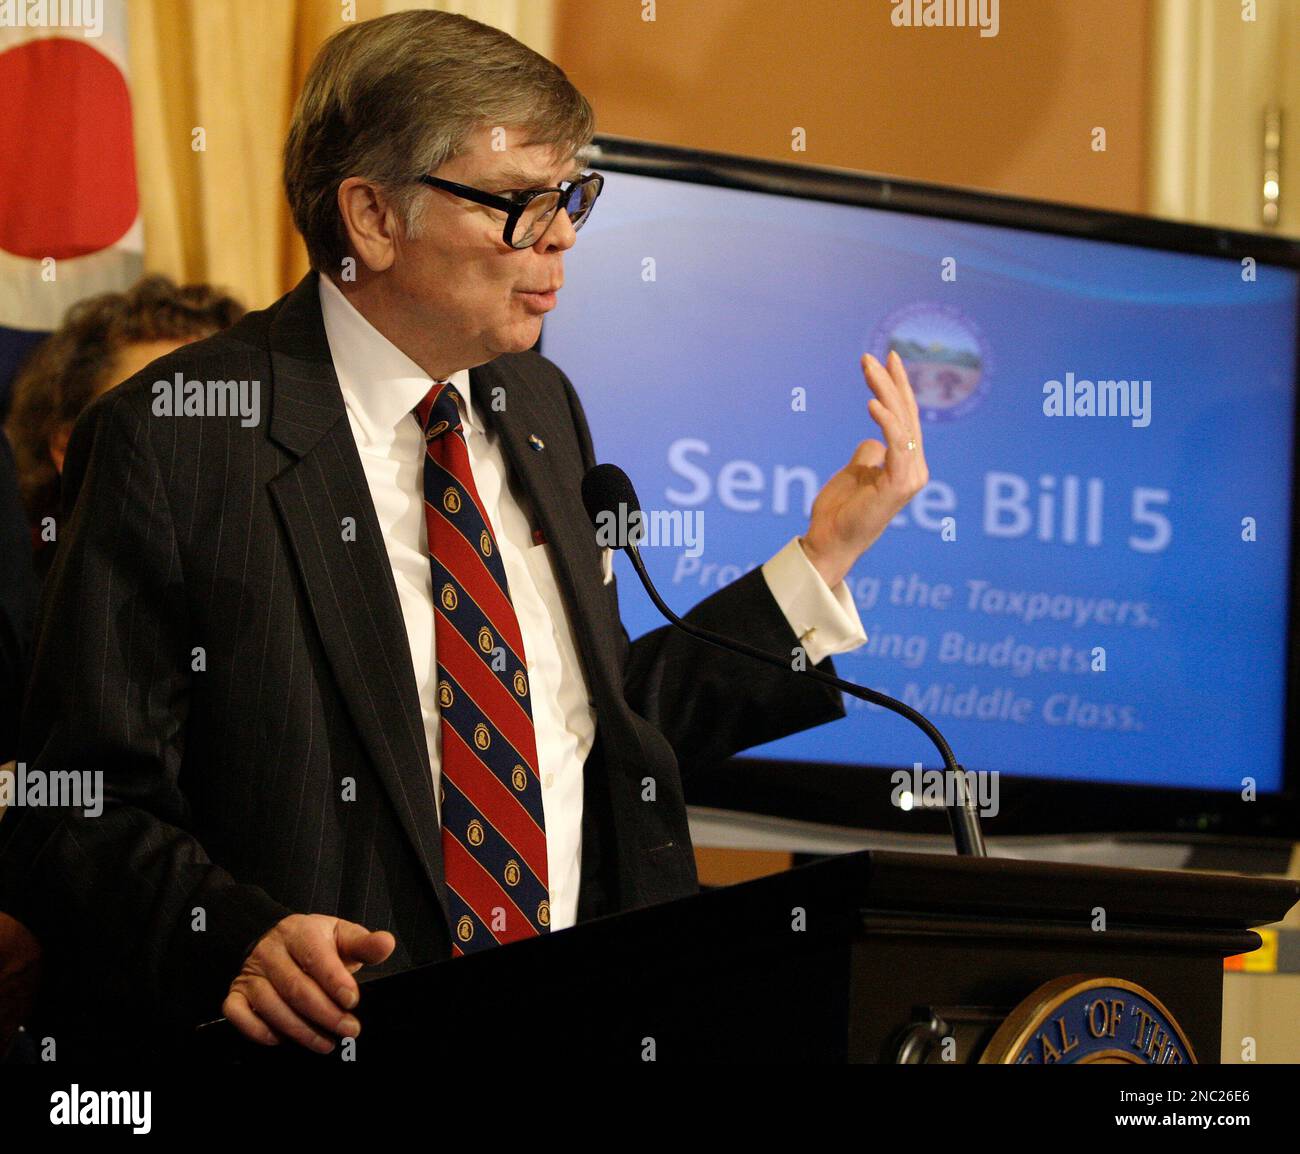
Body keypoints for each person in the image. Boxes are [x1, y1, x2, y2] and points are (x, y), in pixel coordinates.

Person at [0, 9, 928, 1062]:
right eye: (522, 203)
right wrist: (233, 936)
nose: (563, 235)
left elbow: (581, 730)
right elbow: (70, 808)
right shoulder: (180, 439)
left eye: (573, 196)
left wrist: (819, 561)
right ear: (372, 217)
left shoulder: (538, 404)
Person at [4, 275, 245, 584]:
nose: (198, 447)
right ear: (68, 447)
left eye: (222, 417)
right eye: (158, 421)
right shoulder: (28, 600)